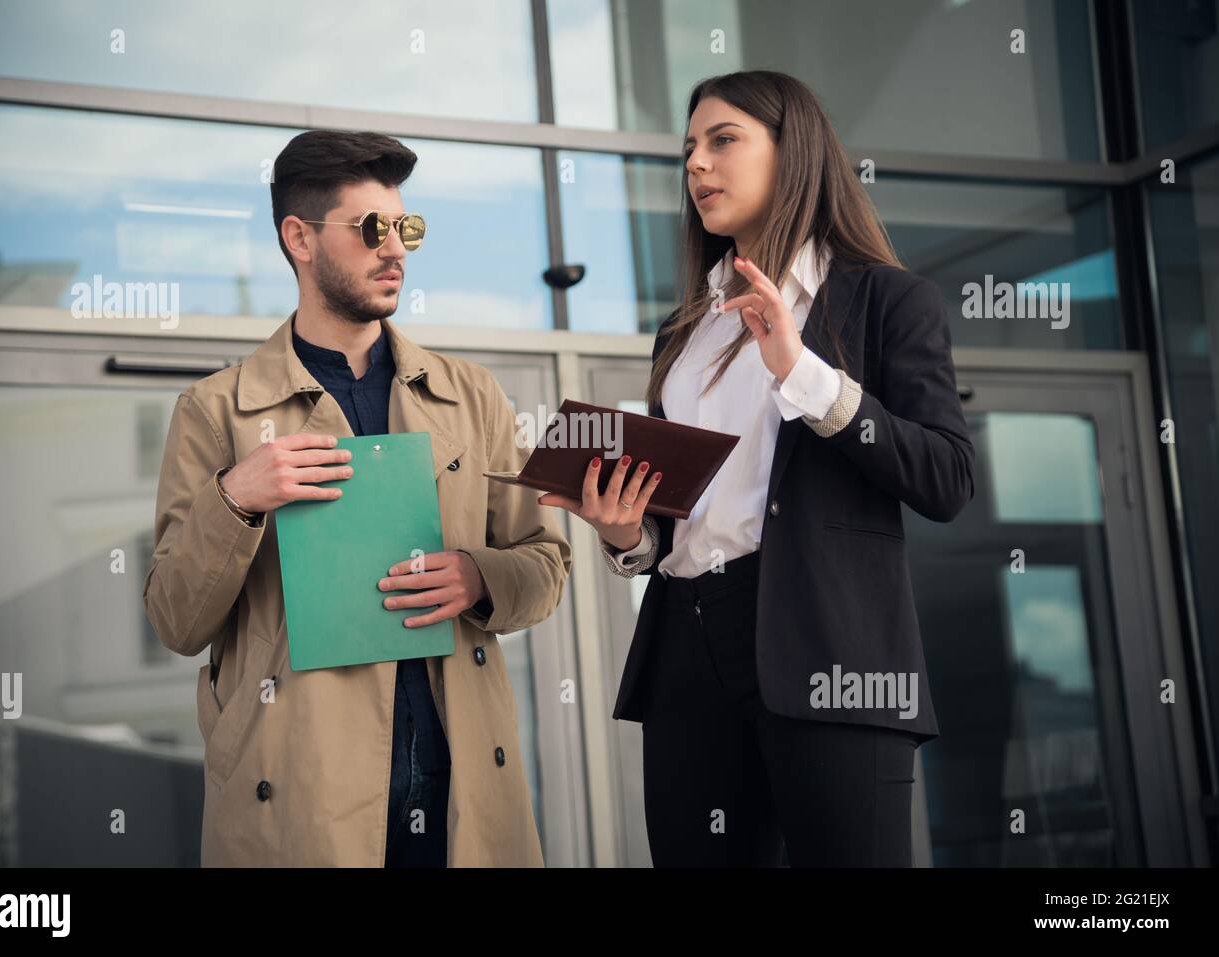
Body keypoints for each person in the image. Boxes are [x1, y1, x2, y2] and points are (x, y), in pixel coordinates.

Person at [539, 71, 975, 867]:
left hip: (829, 649)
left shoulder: (887, 300)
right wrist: (628, 535)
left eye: (723, 140)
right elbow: (684, 515)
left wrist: (801, 371)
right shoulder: (685, 330)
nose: (697, 166)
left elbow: (946, 477)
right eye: (688, 150)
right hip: (686, 647)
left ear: (794, 151)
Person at [143, 129, 571, 867]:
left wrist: (478, 575)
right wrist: (236, 497)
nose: (396, 247)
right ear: (299, 238)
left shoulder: (471, 395)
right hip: (302, 786)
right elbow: (176, 619)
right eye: (372, 228)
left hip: (459, 774)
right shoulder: (216, 410)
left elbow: (546, 563)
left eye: (406, 227)